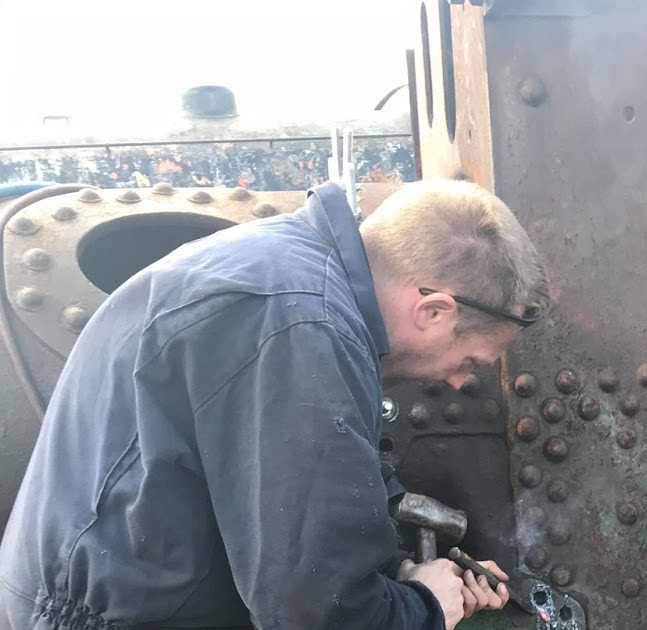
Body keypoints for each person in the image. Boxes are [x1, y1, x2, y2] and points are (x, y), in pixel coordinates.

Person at [0, 179, 550, 630]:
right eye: (470, 360)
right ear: (433, 311)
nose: (459, 383)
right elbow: (314, 613)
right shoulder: (302, 323)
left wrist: (402, 570)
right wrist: (426, 609)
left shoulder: (294, 268)